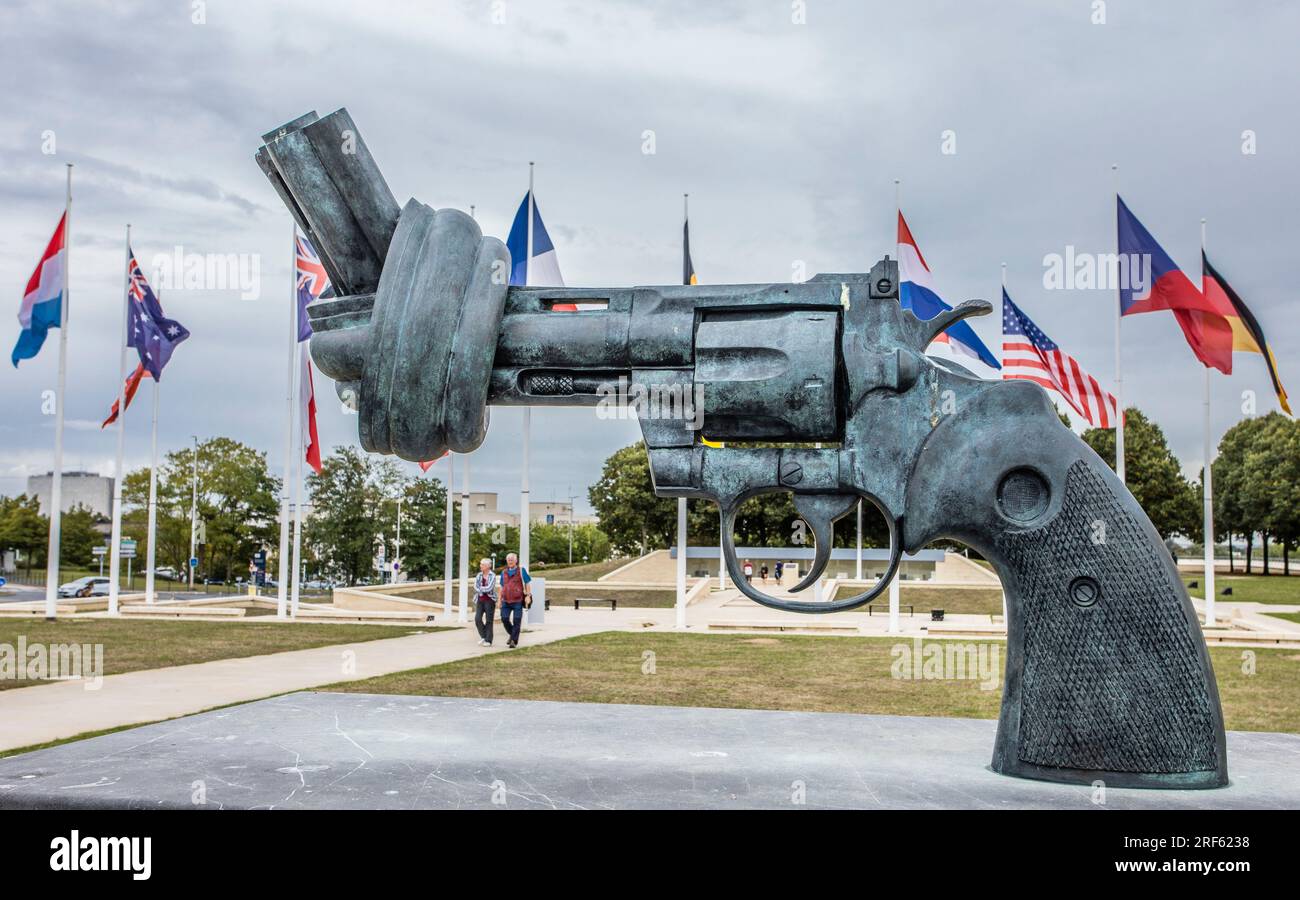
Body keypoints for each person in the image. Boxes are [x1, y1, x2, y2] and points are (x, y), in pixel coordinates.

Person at [498, 552, 532, 649]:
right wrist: (499, 600)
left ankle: (514, 641)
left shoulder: (521, 570)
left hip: (517, 600)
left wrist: (528, 596)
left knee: (517, 620)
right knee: (504, 619)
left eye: (512, 559)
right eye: (509, 560)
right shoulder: (503, 572)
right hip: (506, 600)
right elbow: (501, 586)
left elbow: (527, 583)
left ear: (516, 560)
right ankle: (513, 634)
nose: (510, 561)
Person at [473, 558, 497, 646]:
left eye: (482, 564)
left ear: (488, 566)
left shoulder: (492, 575)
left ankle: (488, 640)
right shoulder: (479, 575)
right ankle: (484, 636)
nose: (480, 566)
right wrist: (481, 589)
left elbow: (489, 588)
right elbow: (475, 586)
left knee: (489, 621)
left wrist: (480, 589)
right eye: (480, 564)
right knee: (477, 619)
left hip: (490, 601)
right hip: (480, 600)